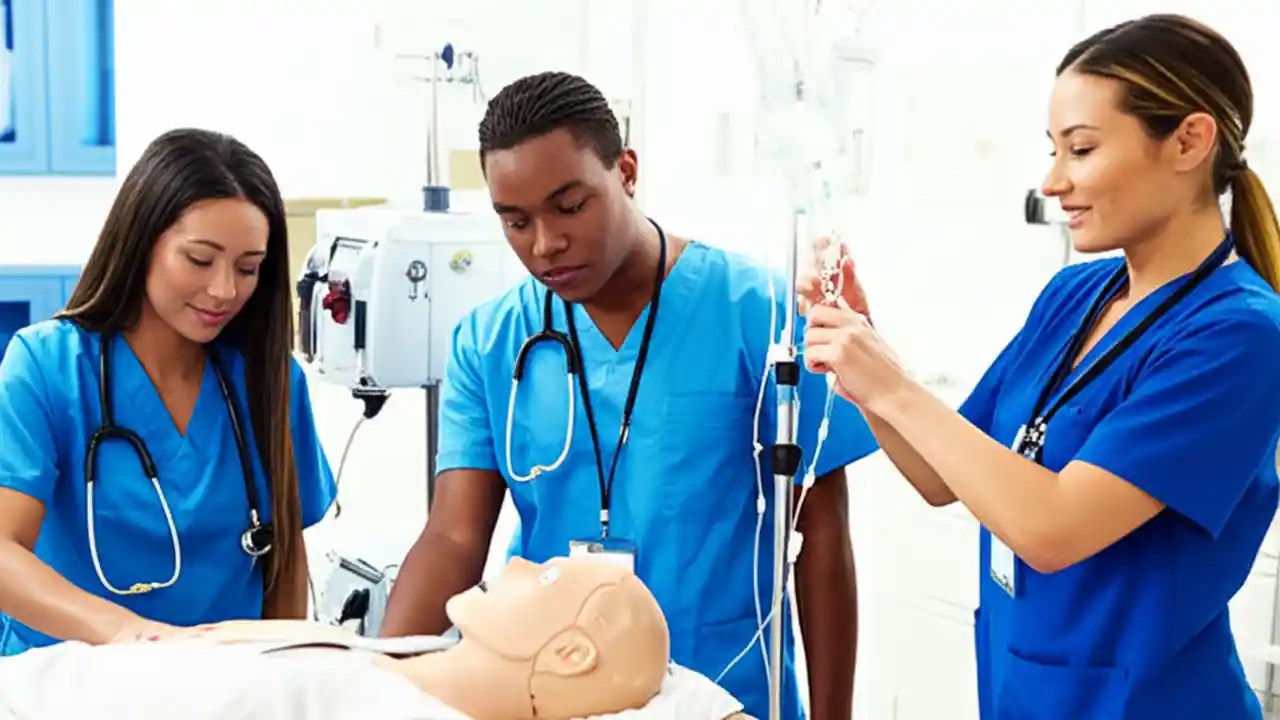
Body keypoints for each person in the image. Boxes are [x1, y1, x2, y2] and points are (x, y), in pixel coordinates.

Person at [800, 13, 1280, 720]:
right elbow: (941, 477)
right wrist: (861, 354)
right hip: (1023, 692)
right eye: (1052, 150)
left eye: (1080, 150)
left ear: (1189, 141)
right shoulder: (1076, 294)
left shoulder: (1238, 334)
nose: (1053, 181)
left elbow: (1053, 528)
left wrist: (893, 386)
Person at [381, 70, 879, 719]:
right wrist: (376, 683)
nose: (544, 243)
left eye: (570, 205)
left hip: (726, 690)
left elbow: (821, 529)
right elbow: (453, 536)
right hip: (548, 691)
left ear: (627, 171)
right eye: (515, 221)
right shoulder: (490, 342)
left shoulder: (758, 313)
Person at [0, 128, 337, 655]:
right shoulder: (46, 366)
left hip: (218, 692)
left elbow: (284, 559)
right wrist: (132, 634)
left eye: (248, 268)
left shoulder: (269, 382)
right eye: (200, 260)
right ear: (142, 241)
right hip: (63, 687)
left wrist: (281, 672)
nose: (225, 290)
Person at [0, 557, 750, 720]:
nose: (517, 560)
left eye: (546, 578)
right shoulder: (407, 663)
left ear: (571, 653)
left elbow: (695, 704)